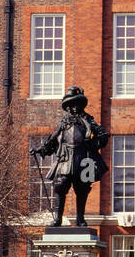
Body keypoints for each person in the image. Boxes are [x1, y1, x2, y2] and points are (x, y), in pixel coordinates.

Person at [30, 86, 110, 227]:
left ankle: (80, 219)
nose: (74, 107)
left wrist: (91, 144)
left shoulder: (88, 120)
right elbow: (53, 140)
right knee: (61, 185)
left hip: (84, 159)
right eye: (71, 104)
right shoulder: (63, 122)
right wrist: (40, 149)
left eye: (76, 104)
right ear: (68, 106)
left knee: (82, 188)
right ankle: (58, 219)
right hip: (66, 158)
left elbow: (102, 135)